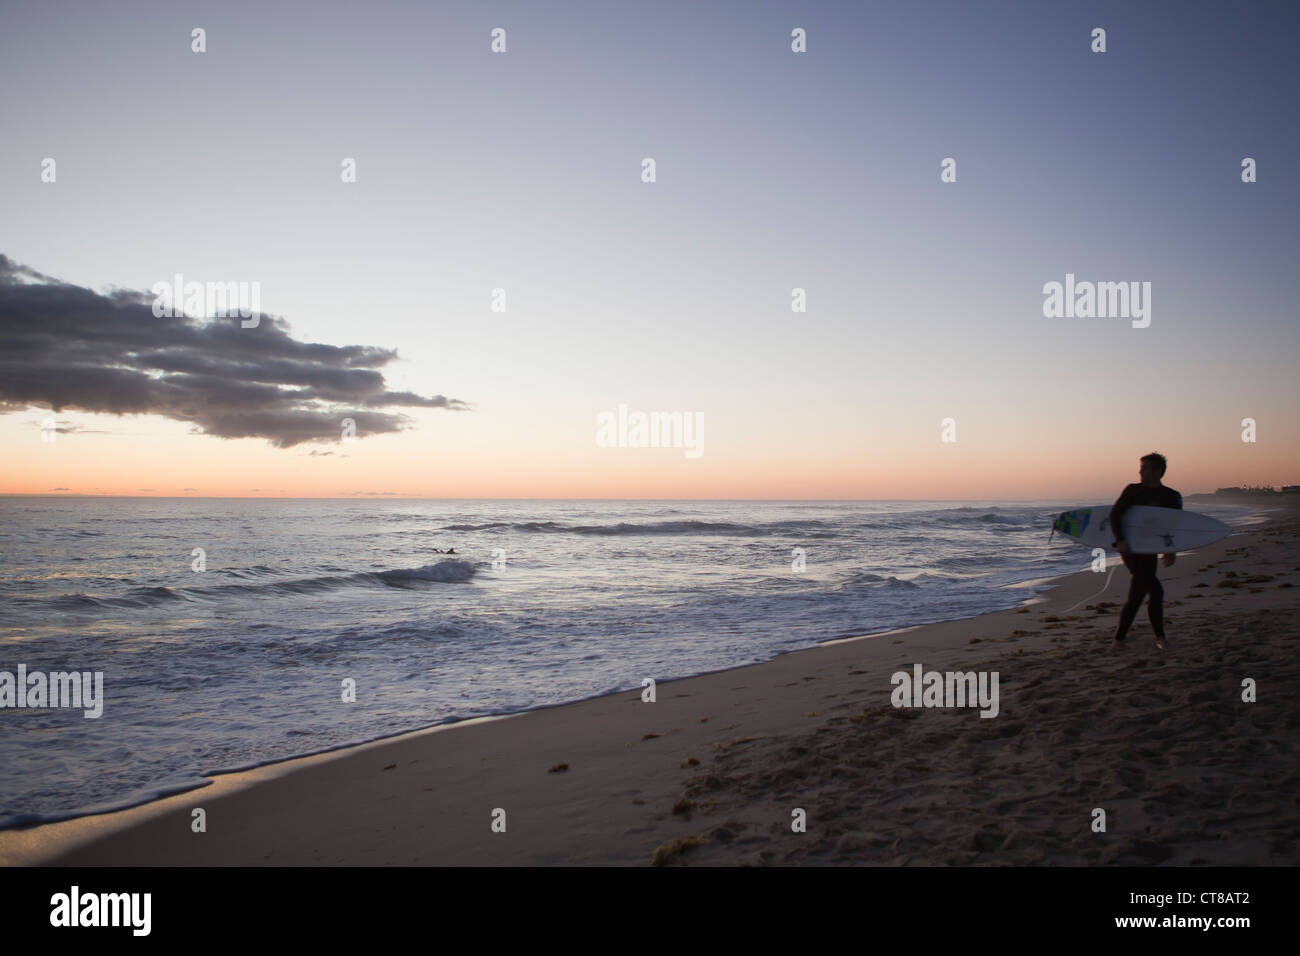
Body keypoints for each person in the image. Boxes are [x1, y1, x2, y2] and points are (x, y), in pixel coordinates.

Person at [1109, 452, 1181, 650]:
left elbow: (1173, 526)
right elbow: (1115, 515)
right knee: (1154, 591)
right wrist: (1121, 541)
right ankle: (1159, 639)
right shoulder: (1133, 491)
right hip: (1131, 549)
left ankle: (1120, 640)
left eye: (1145, 468)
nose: (1140, 471)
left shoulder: (1171, 496)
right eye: (1140, 468)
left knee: (1138, 594)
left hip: (1150, 549)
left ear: (1158, 471)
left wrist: (1170, 550)